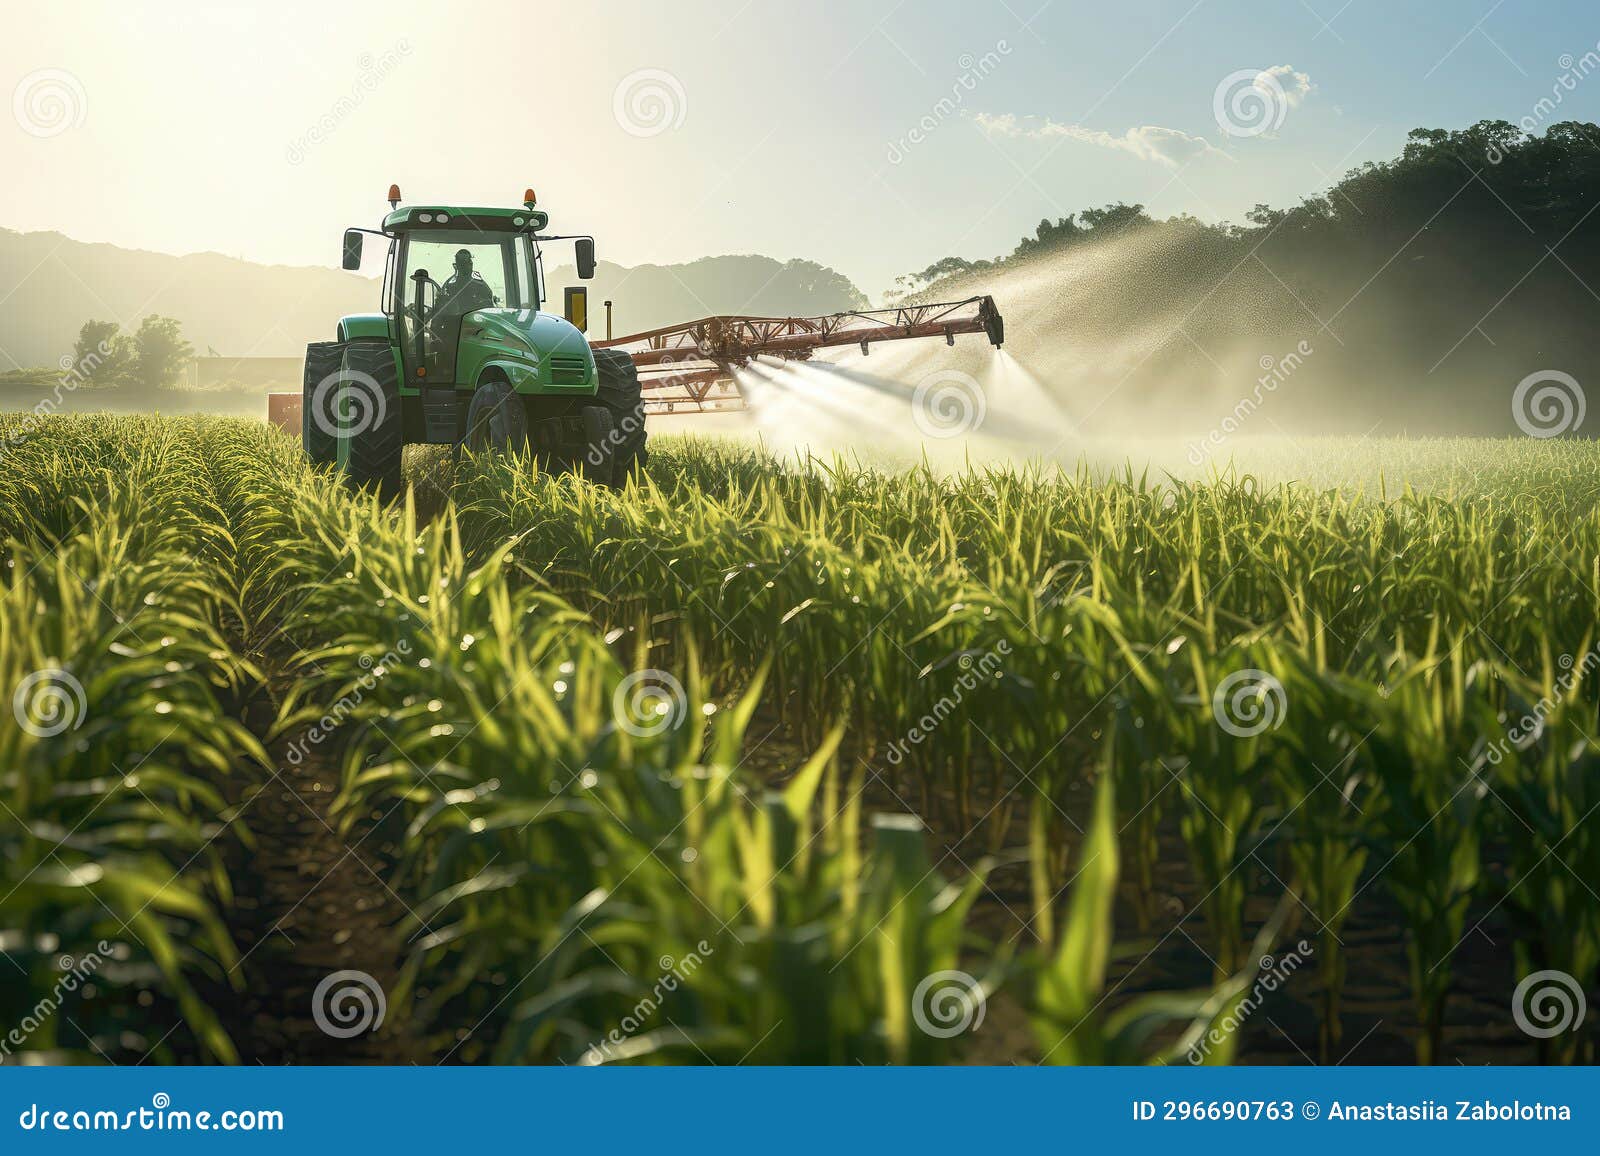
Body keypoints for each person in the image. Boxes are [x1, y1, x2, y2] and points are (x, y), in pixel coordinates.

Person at [436, 249, 496, 316]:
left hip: (475, 323)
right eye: (463, 263)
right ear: (456, 265)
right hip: (454, 323)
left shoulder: (480, 285)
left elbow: (489, 309)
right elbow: (439, 312)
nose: (467, 266)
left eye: (468, 263)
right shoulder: (448, 286)